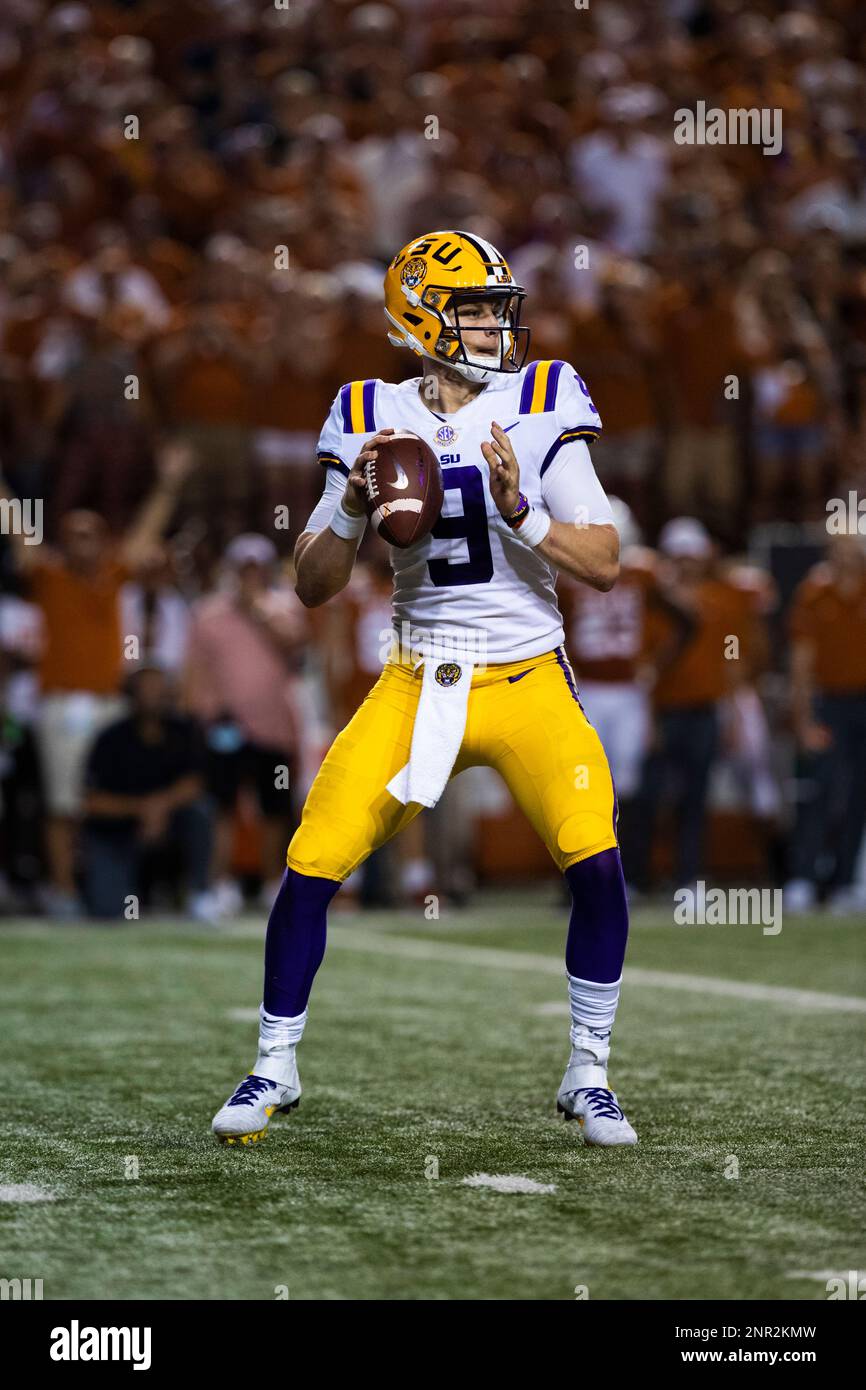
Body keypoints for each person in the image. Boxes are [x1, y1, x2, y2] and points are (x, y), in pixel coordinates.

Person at [213, 229, 637, 1148]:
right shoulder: (367, 407)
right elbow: (313, 583)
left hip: (526, 675)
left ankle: (589, 1074)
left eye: (497, 306)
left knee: (596, 862)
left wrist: (521, 509)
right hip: (416, 677)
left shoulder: (543, 395)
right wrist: (358, 506)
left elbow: (603, 562)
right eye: (473, 307)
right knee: (312, 862)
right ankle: (273, 1067)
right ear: (418, 316)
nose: (493, 323)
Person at [0, 442, 194, 915]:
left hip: (110, 705)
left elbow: (147, 533)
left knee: (108, 800)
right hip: (63, 705)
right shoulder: (49, 576)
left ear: (103, 540)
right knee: (64, 804)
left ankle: (119, 890)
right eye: (74, 533)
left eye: (91, 533)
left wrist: (169, 481)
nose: (82, 541)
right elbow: (16, 528)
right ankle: (65, 893)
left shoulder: (114, 575)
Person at [183, 534, 307, 912]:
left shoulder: (284, 607)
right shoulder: (209, 614)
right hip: (226, 726)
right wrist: (204, 714)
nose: (251, 576)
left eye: (257, 569)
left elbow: (296, 648)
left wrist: (259, 610)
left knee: (274, 809)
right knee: (223, 807)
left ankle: (273, 884)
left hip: (274, 727)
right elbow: (195, 672)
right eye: (244, 569)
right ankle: (220, 885)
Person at [81, 663, 214, 920]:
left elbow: (197, 783)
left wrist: (160, 807)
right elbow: (93, 801)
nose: (153, 695)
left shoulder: (186, 731)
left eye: (159, 688)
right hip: (119, 831)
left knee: (201, 811)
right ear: (131, 693)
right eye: (146, 689)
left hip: (172, 824)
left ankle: (200, 893)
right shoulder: (110, 738)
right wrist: (142, 809)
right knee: (107, 911)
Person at [785, 534, 866, 912]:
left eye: (853, 548)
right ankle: (802, 876)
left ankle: (846, 881)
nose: (846, 556)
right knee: (820, 790)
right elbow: (801, 661)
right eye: (840, 548)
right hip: (829, 704)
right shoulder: (815, 593)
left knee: (858, 796)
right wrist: (803, 719)